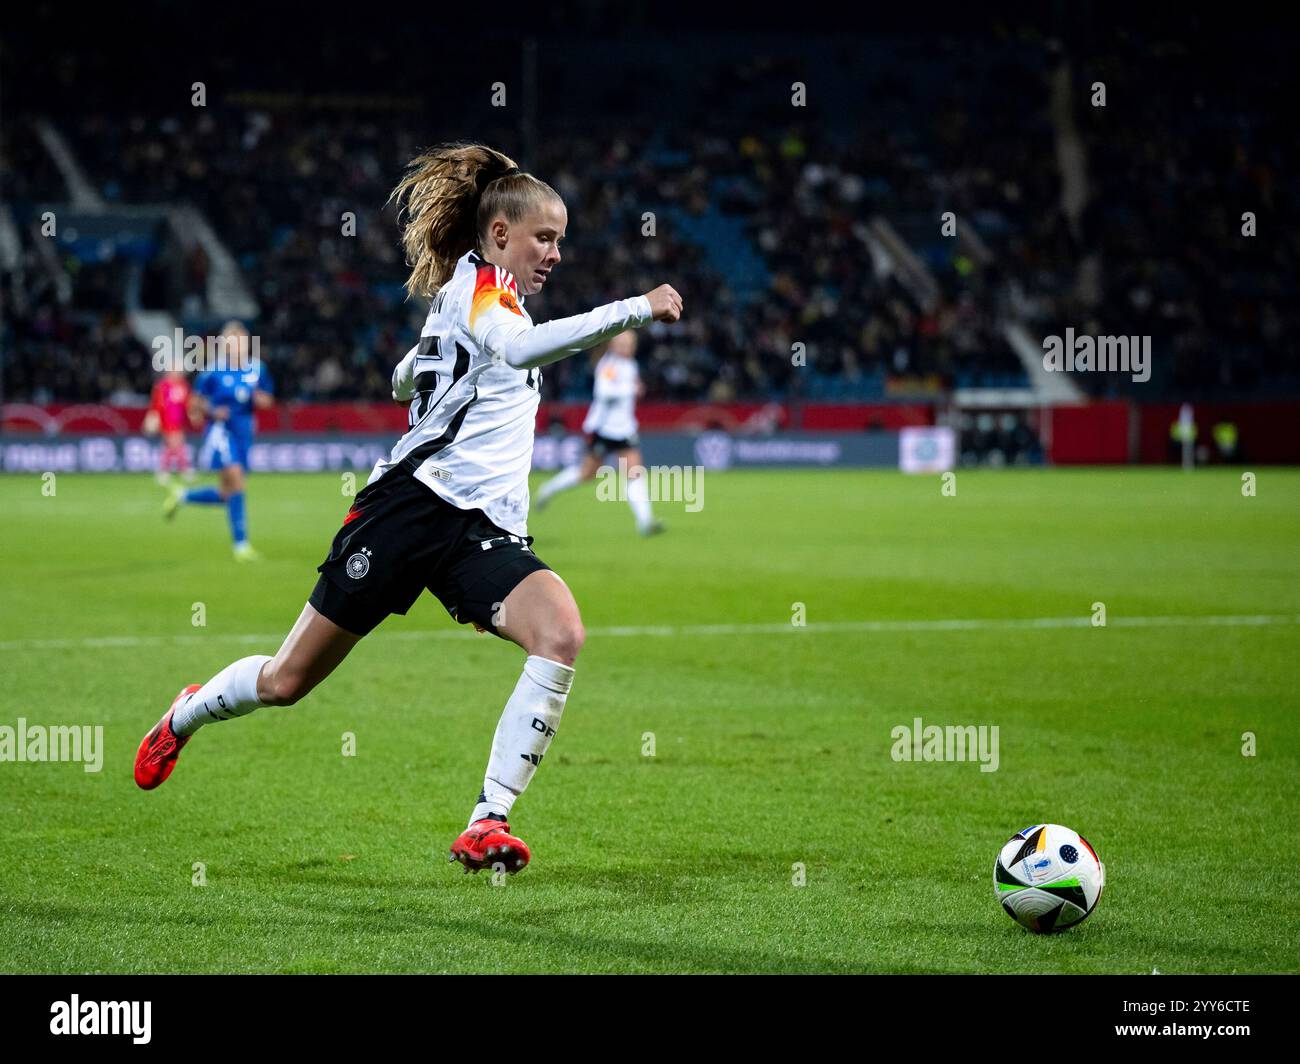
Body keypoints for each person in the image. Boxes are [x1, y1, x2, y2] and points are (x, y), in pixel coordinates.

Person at [135, 142, 683, 876]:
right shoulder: (485, 289)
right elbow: (517, 354)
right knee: (287, 682)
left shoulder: (472, 297)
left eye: (560, 240)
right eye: (543, 237)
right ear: (498, 235)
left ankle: (488, 820)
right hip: (408, 510)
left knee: (561, 634)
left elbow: (408, 378)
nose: (554, 253)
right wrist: (637, 307)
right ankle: (187, 712)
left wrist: (420, 373)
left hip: (478, 532)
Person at [534, 330, 664, 535]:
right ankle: (548, 489)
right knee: (586, 474)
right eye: (622, 342)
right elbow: (604, 393)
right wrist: (631, 388)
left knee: (634, 472)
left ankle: (645, 522)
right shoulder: (608, 365)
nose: (626, 346)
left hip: (625, 430)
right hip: (603, 429)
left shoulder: (630, 365)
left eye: (630, 343)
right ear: (613, 345)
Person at [164, 321, 274, 560]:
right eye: (232, 342)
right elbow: (195, 403)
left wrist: (256, 397)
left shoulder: (257, 369)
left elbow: (268, 400)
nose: (237, 346)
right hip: (220, 432)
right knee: (236, 480)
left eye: (241, 342)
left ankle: (184, 495)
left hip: (243, 432)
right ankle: (241, 545)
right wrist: (213, 410)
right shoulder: (212, 372)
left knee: (227, 493)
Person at [143, 369, 194, 486]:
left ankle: (167, 471)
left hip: (180, 420)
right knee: (174, 444)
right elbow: (156, 404)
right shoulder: (162, 386)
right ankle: (182, 470)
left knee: (174, 446)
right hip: (166, 420)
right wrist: (153, 417)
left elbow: (188, 403)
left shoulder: (184, 385)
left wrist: (191, 415)